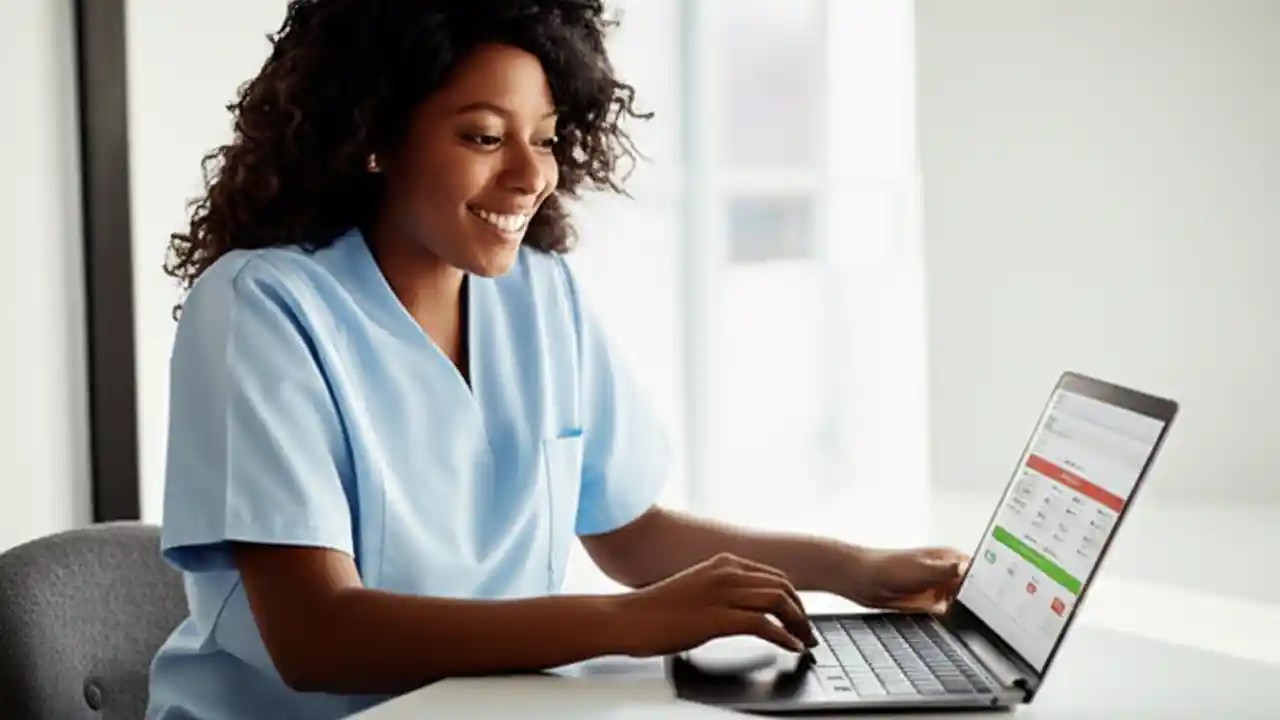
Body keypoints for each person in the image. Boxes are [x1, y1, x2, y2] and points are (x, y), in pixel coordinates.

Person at [145, 1, 968, 718]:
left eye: (545, 137)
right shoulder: (261, 306)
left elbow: (630, 530)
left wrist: (854, 570)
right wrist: (628, 622)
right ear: (375, 135)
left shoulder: (539, 295)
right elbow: (317, 637)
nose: (531, 174)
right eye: (484, 136)